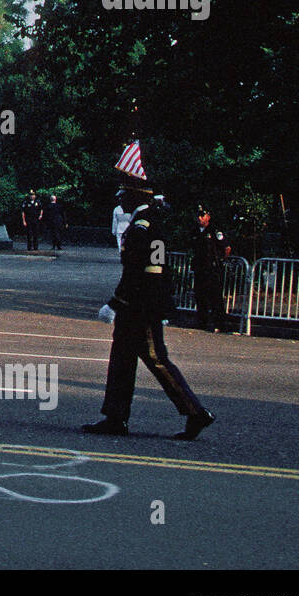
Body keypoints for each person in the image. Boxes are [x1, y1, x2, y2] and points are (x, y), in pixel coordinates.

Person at [84, 184, 215, 440]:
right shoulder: (150, 222)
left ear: (135, 197)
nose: (120, 198)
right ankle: (115, 416)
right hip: (140, 305)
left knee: (156, 359)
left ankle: (196, 412)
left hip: (140, 307)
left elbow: (138, 273)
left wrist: (115, 302)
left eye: (124, 194)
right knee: (121, 360)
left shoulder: (142, 227)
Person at [191, 204, 231, 332]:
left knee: (215, 297)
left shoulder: (214, 231)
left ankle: (219, 324)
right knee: (200, 295)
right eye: (198, 216)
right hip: (200, 268)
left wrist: (220, 261)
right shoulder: (195, 231)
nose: (200, 218)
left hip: (212, 269)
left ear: (208, 216)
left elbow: (226, 248)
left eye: (202, 216)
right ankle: (202, 322)